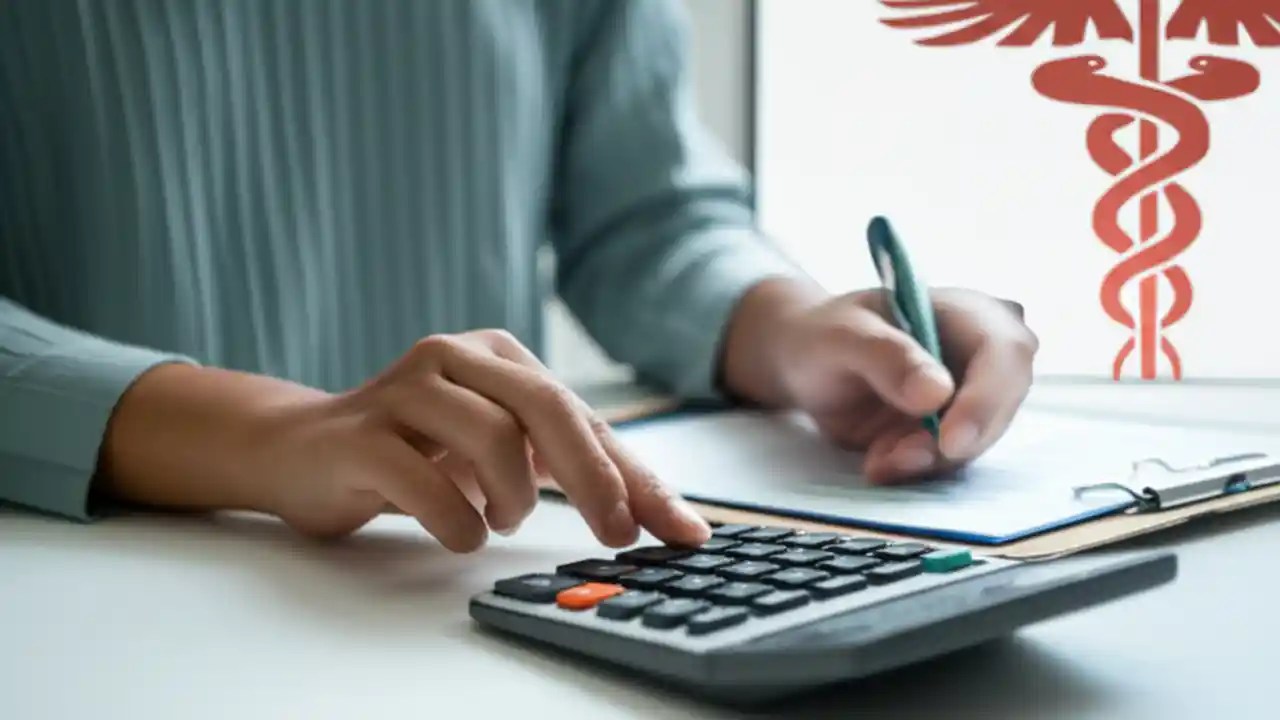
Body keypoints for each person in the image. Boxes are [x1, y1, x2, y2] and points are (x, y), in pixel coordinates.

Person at [0, 0, 1037, 553]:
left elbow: (640, 210)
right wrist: (273, 432)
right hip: (95, 592)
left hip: (461, 580)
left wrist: (796, 330)